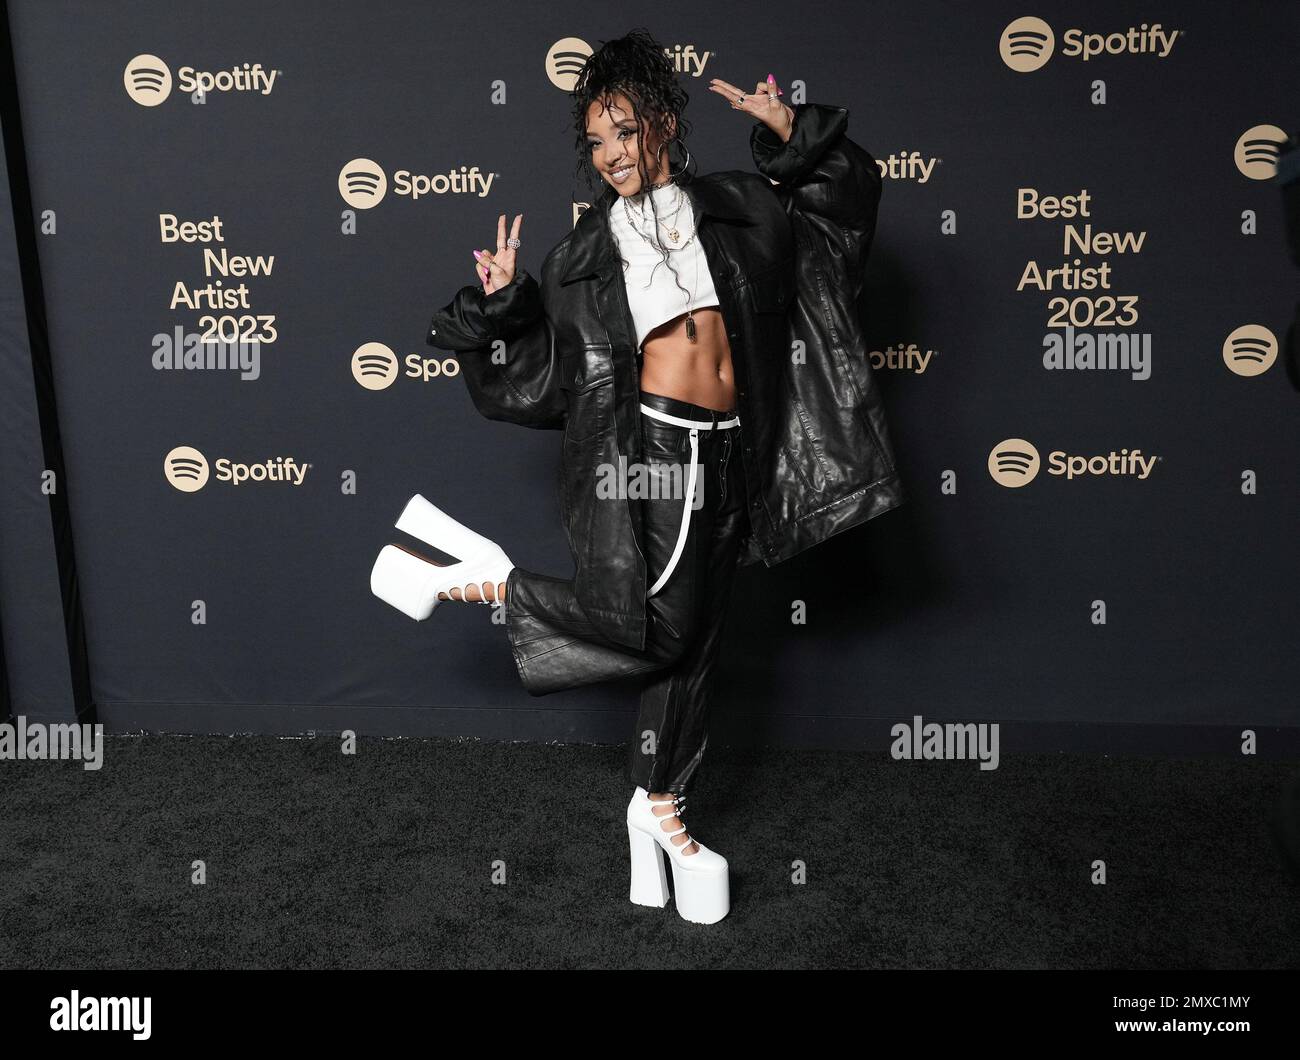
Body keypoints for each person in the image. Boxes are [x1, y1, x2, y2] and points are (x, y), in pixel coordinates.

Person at [371, 28, 904, 924]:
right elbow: (541, 389)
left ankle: (656, 808)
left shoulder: (744, 211)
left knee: (693, 645)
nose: (613, 154)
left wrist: (794, 136)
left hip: (742, 449)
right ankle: (482, 580)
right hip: (654, 458)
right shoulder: (579, 263)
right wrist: (506, 306)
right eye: (597, 141)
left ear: (661, 121)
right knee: (661, 631)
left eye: (625, 130)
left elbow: (841, 227)